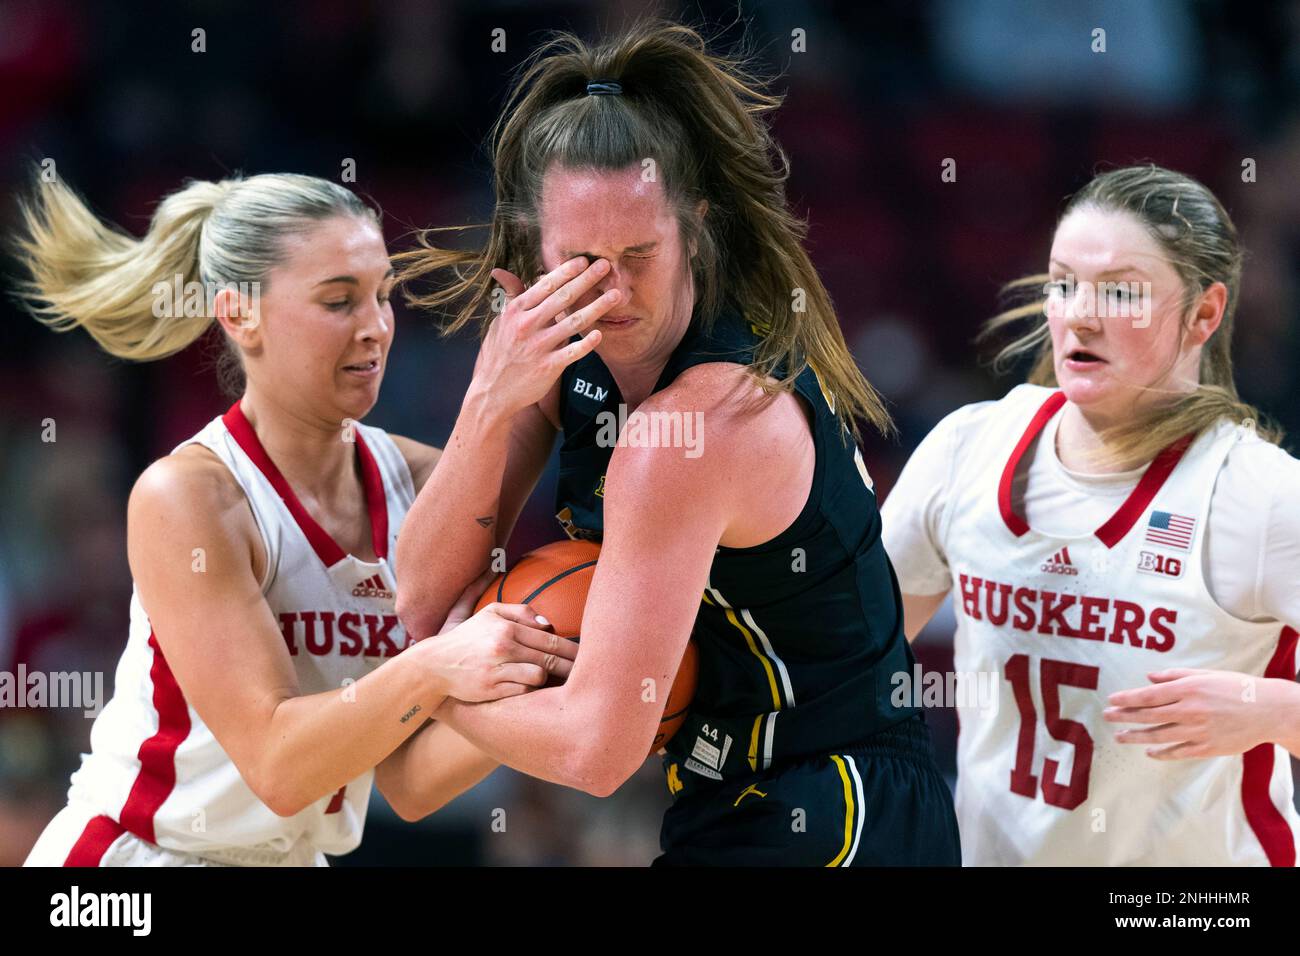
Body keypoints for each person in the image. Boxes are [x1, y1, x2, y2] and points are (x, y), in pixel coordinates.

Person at [393, 19, 961, 866]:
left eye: (639, 254)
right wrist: (489, 397)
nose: (612, 289)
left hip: (839, 802)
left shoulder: (692, 428)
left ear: (693, 226)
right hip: (730, 789)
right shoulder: (548, 351)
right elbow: (420, 599)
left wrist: (423, 684)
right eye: (582, 258)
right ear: (533, 248)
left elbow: (594, 749)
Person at [15, 171, 573, 866]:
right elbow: (277, 763)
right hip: (136, 863)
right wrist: (435, 668)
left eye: (382, 296)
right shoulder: (190, 496)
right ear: (240, 314)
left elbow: (407, 783)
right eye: (339, 300)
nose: (375, 326)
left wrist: (538, 674)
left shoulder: (426, 486)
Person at [881, 164, 1300, 866]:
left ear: (1204, 314)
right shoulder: (968, 449)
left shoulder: (1257, 495)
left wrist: (1273, 713)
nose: (1079, 312)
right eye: (1063, 282)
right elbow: (840, 654)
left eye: (1122, 292)